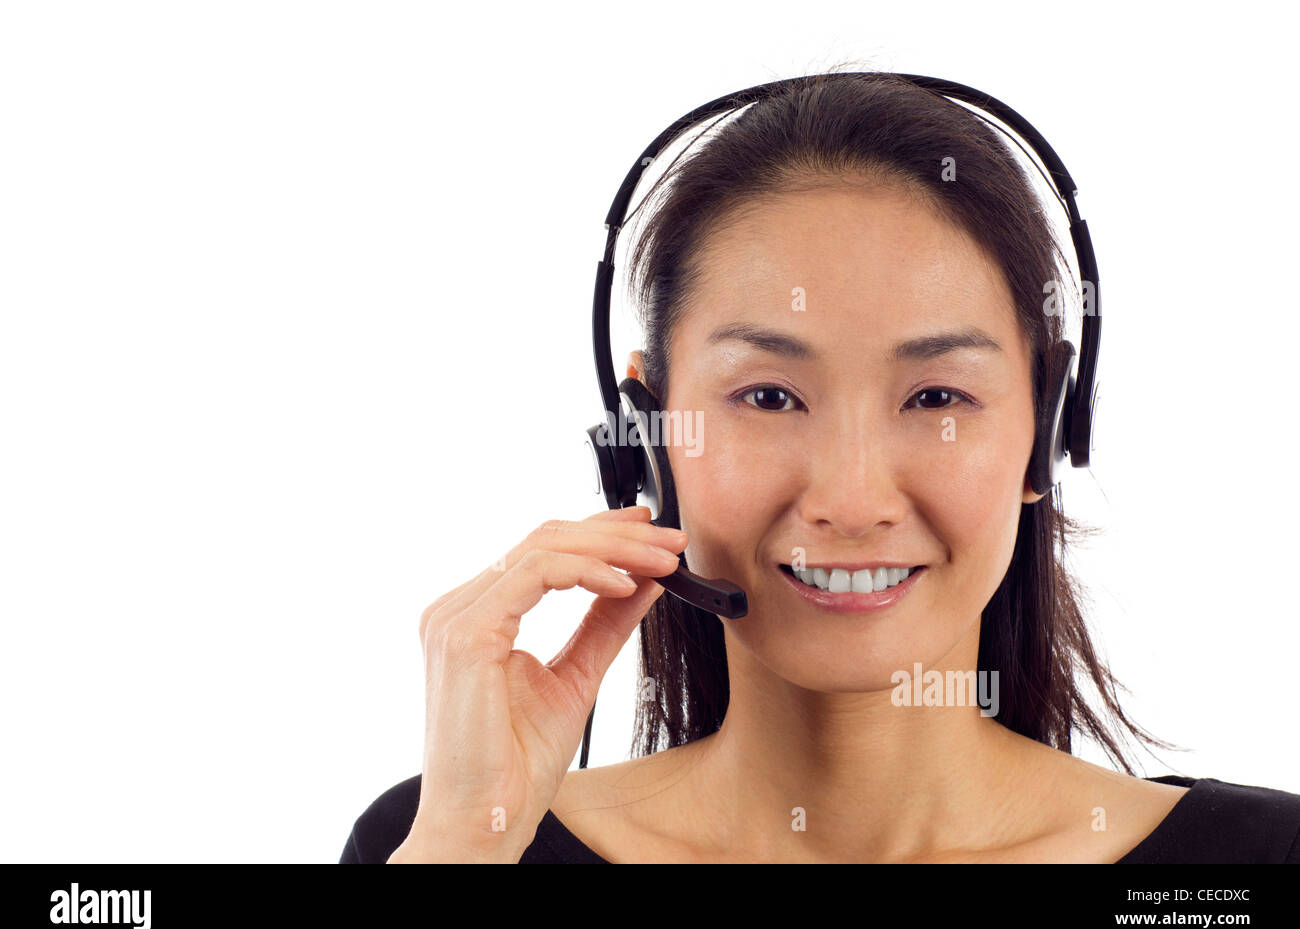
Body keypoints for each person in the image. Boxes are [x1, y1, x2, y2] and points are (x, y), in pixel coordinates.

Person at [341, 70, 1300, 863]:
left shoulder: (1243, 872)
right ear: (649, 434)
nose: (850, 499)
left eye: (936, 398)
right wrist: (468, 839)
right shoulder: (448, 837)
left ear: (1046, 431)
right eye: (767, 397)